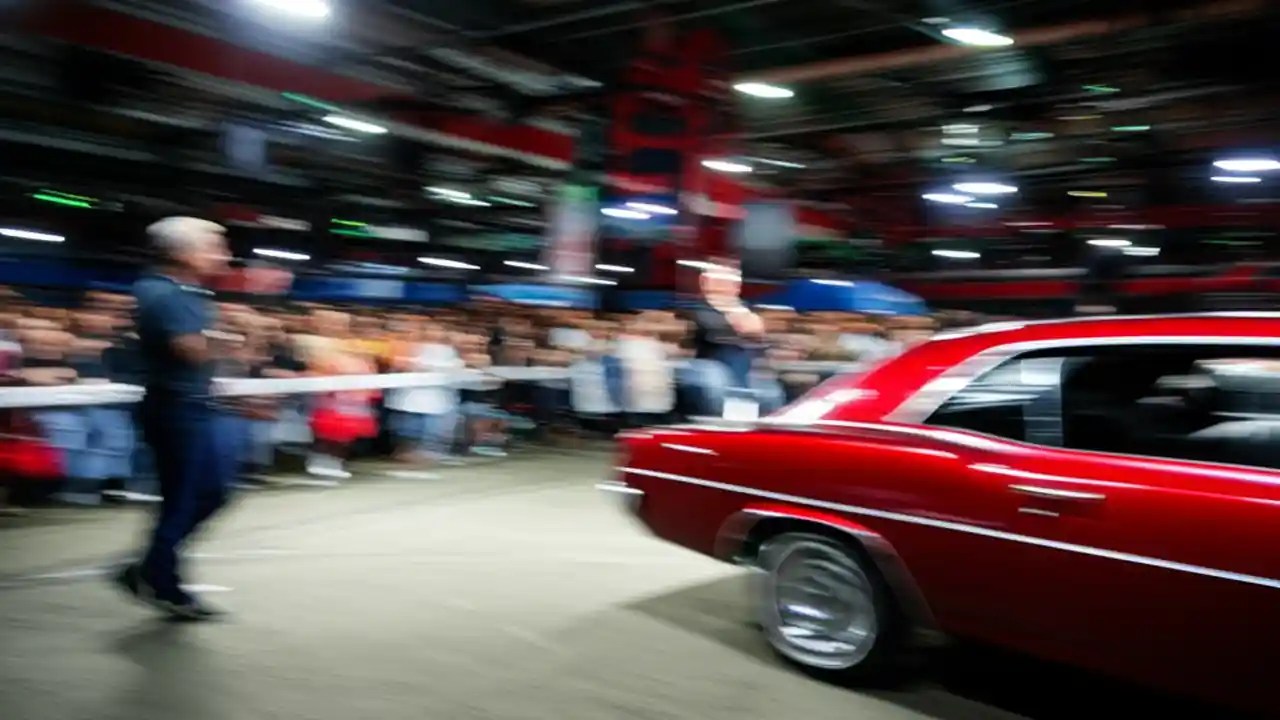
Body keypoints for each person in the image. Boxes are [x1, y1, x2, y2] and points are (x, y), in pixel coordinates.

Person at [114, 216, 230, 621]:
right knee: (185, 500)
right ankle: (161, 580)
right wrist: (235, 339)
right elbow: (192, 351)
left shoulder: (180, 292)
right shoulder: (166, 294)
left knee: (209, 493)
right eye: (213, 246)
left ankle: (150, 568)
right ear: (181, 252)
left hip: (187, 406)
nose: (223, 255)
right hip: (176, 409)